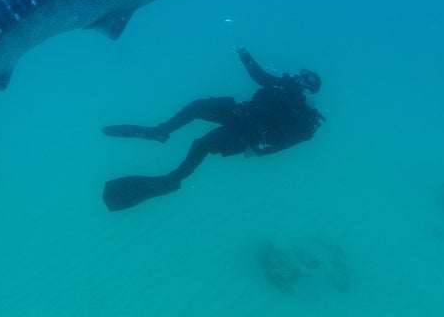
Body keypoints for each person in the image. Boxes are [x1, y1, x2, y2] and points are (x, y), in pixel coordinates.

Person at [101, 48, 325, 211]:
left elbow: (278, 138)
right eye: (302, 73)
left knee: (203, 143)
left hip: (247, 135)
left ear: (310, 89)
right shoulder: (282, 85)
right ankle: (160, 131)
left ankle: (171, 181)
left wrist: (255, 143)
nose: (299, 77)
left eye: (306, 79)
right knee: (198, 106)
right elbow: (260, 76)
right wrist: (244, 55)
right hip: (240, 114)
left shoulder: (301, 111)